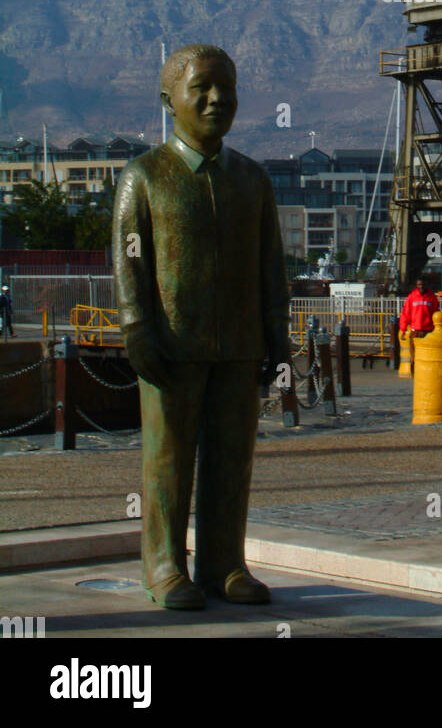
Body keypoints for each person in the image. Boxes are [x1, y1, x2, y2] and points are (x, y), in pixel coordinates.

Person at [113, 43, 290, 611]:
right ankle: (165, 565)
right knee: (167, 460)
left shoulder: (253, 180)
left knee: (232, 459)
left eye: (227, 89)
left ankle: (224, 564)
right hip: (173, 345)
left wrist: (278, 338)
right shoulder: (144, 176)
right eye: (202, 89)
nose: (217, 100)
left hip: (239, 345)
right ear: (170, 101)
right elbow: (129, 260)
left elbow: (272, 268)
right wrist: (136, 325)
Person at [398, 274, 440, 374]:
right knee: (414, 355)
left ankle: (426, 373)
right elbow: (405, 314)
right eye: (419, 285)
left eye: (422, 285)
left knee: (428, 354)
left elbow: (436, 313)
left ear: (426, 285)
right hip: (415, 331)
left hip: (428, 331)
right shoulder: (412, 297)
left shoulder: (432, 297)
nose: (421, 287)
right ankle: (415, 374)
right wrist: (403, 329)